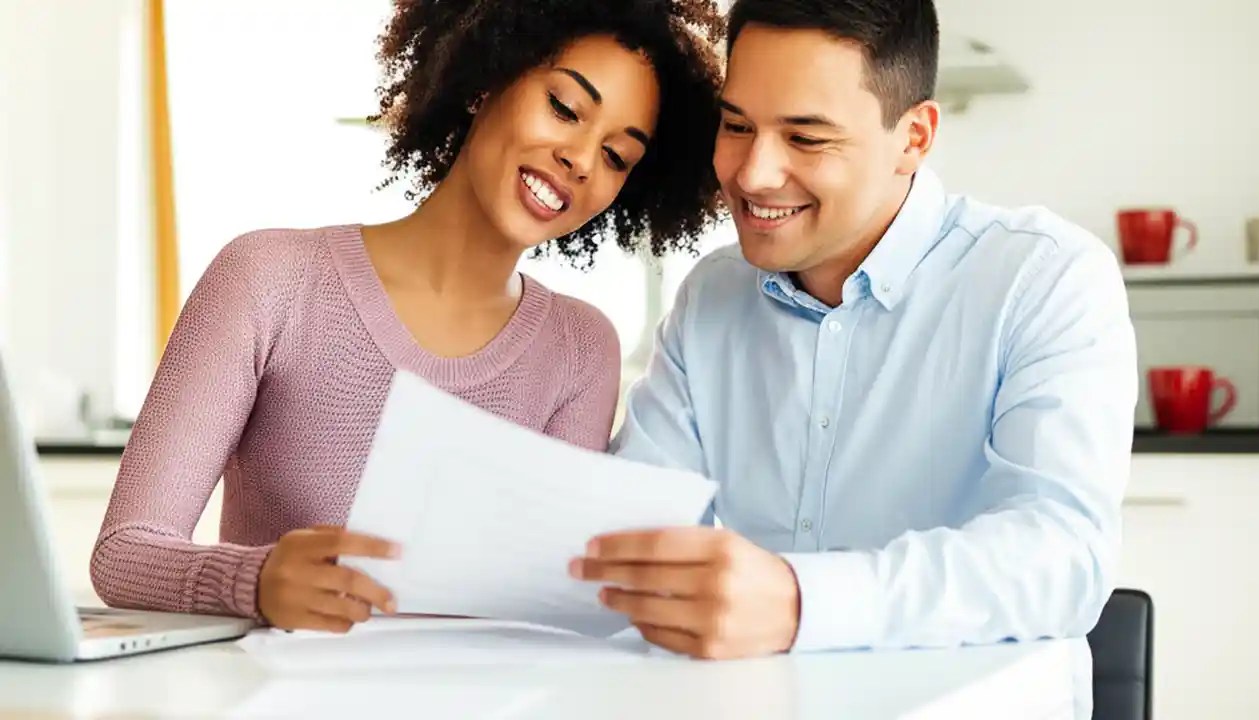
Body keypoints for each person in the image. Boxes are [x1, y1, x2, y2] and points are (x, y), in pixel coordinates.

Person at [91, 0, 726, 634]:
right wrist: (255, 582)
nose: (582, 159)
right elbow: (123, 555)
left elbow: (549, 611)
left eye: (617, 156)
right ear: (486, 79)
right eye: (564, 108)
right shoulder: (270, 279)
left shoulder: (582, 350)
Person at [572, 0, 1136, 698]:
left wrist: (797, 600)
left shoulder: (1043, 277)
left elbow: (1060, 560)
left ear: (915, 137)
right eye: (736, 125)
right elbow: (630, 527)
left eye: (806, 139)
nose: (752, 175)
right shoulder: (713, 297)